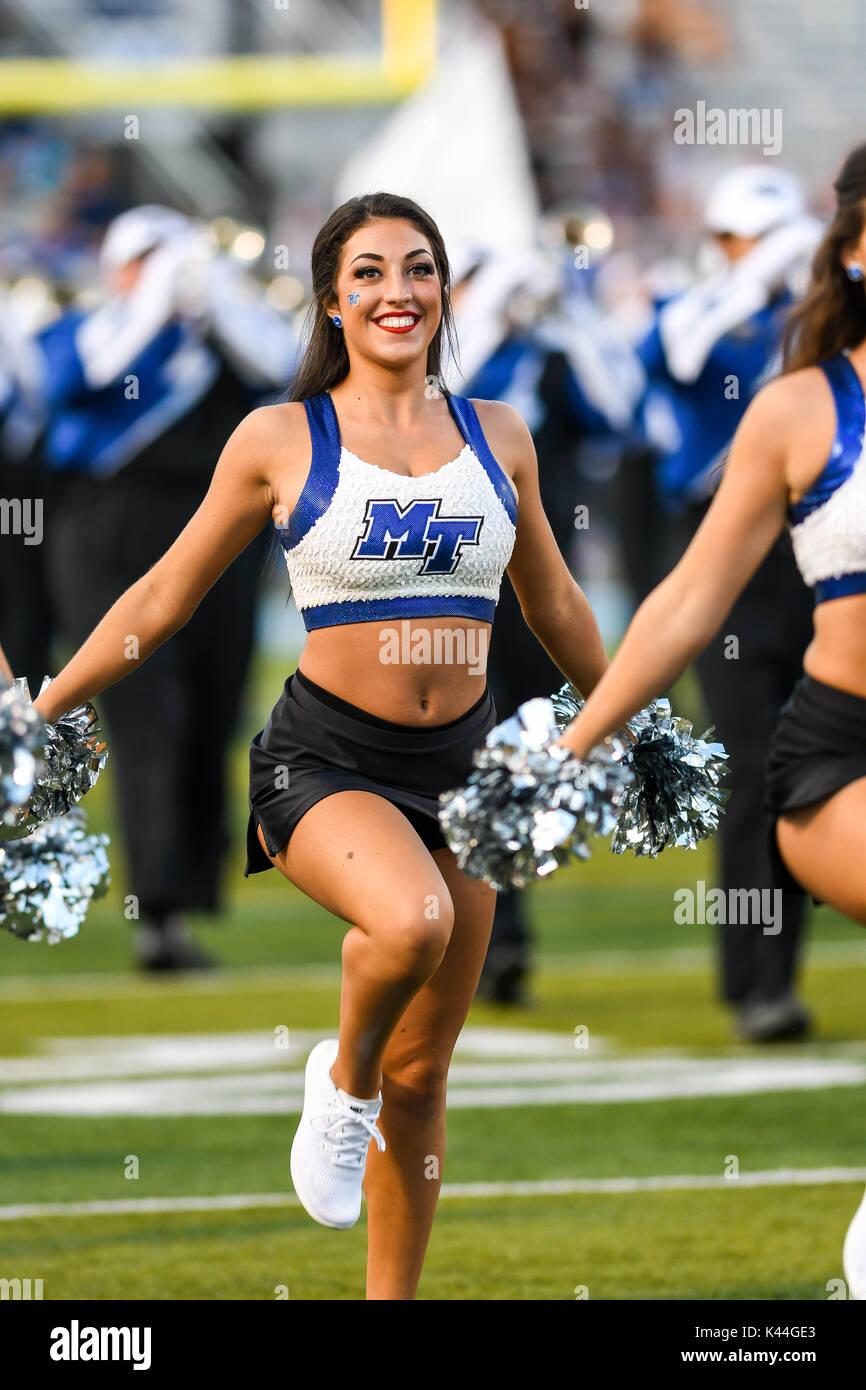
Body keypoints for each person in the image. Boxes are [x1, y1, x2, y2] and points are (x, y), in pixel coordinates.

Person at [30, 191, 611, 1300]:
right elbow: (165, 590)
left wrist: (624, 725)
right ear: (333, 302)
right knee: (411, 924)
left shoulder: (499, 433)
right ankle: (336, 1081)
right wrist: (48, 707)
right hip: (324, 762)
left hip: (470, 775)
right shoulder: (282, 436)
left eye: (418, 270)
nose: (398, 292)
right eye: (370, 274)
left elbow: (558, 605)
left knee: (427, 1072)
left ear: (444, 292)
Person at [554, 143, 866, 1301]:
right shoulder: (798, 407)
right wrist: (575, 742)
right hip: (839, 753)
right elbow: (688, 598)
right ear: (854, 250)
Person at [37, 206, 298, 972]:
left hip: (218, 543)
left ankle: (188, 900)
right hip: (113, 538)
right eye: (148, 257)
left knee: (213, 717)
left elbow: (278, 367)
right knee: (148, 720)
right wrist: (159, 295)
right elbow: (77, 383)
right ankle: (154, 914)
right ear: (121, 269)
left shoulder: (223, 339)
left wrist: (215, 297)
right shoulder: (93, 330)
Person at [634, 166, 822, 1041]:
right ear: (721, 244)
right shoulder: (693, 305)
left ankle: (779, 974)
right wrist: (753, 277)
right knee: (756, 761)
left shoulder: (818, 320)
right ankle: (753, 981)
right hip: (723, 553)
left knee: (814, 763)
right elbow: (674, 359)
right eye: (750, 240)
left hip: (816, 551)